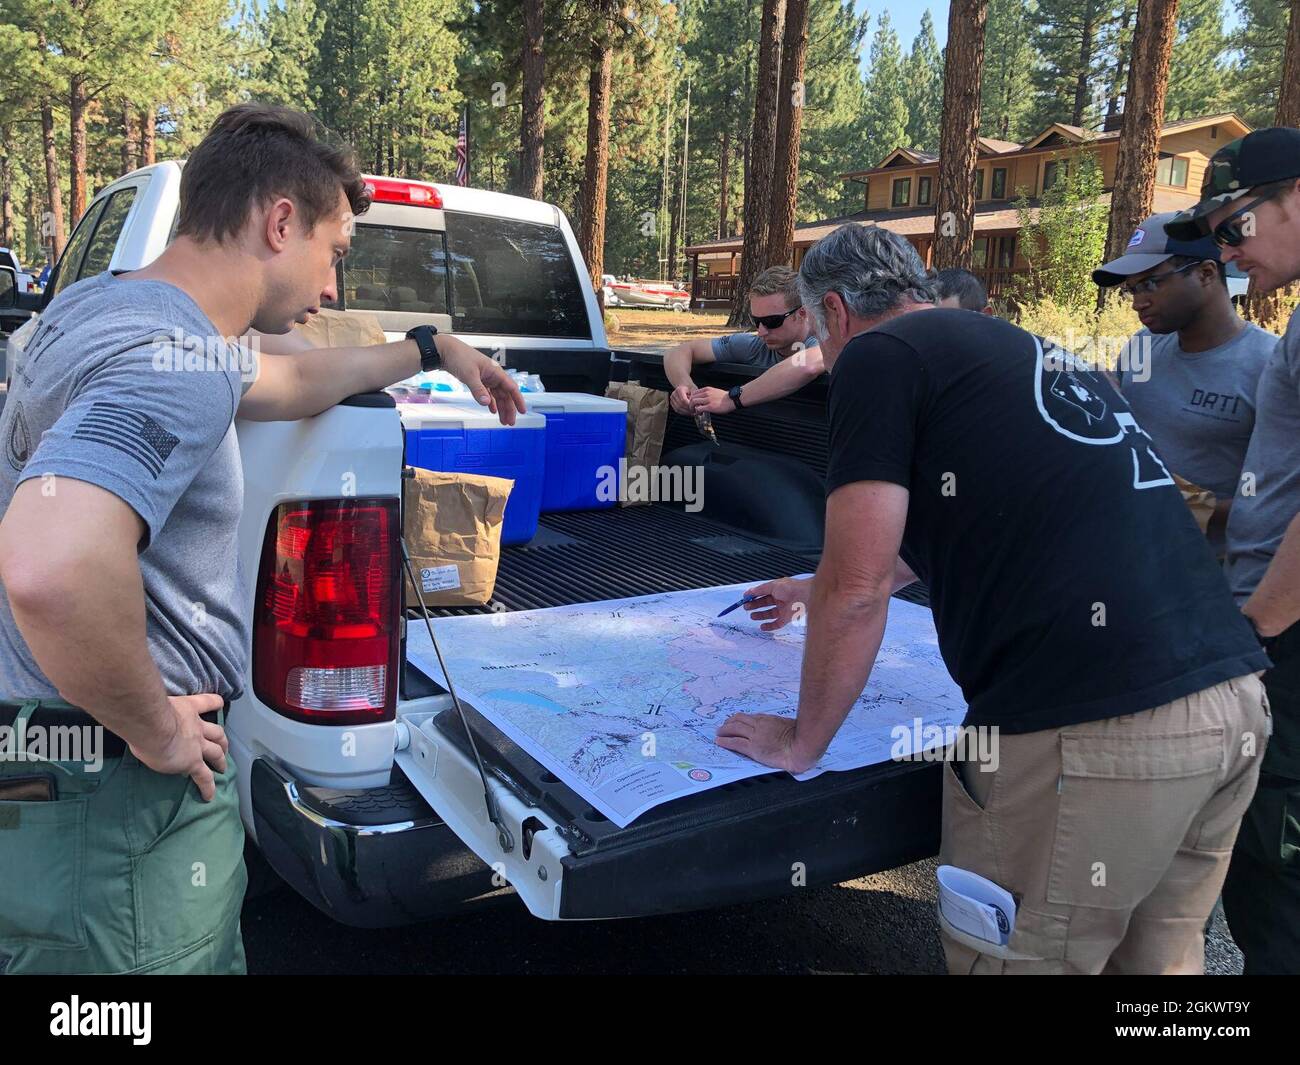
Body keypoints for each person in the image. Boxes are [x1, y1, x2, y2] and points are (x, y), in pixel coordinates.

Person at [0, 104, 523, 975]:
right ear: (279, 221)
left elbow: (290, 376)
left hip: (45, 792)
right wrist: (156, 729)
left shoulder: (104, 309)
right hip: (120, 808)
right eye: (335, 255)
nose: (331, 290)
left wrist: (429, 347)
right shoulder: (176, 358)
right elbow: (50, 564)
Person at [716, 223, 1271, 975]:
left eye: (814, 327)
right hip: (1229, 699)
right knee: (1159, 958)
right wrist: (808, 588)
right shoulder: (1014, 347)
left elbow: (861, 582)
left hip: (1094, 727)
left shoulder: (878, 357)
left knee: (1017, 960)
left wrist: (801, 740)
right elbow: (996, 517)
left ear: (837, 311)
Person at [1166, 126, 1300, 974]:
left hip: (1282, 635)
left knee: (1272, 867)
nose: (1229, 249)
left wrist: (1258, 632)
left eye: (1237, 225)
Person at [1092, 211, 1274, 544]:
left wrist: (1188, 505)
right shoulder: (1144, 345)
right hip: (1135, 552)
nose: (1137, 303)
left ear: (1206, 273)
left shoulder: (1270, 366)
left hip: (1217, 575)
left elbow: (1281, 503)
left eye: (1150, 283)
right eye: (1131, 289)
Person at [664, 265, 823, 417]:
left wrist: (730, 399)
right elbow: (680, 351)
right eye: (756, 321)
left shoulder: (823, 341)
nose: (761, 331)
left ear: (802, 313)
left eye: (772, 321)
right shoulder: (755, 345)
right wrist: (686, 387)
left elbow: (806, 365)